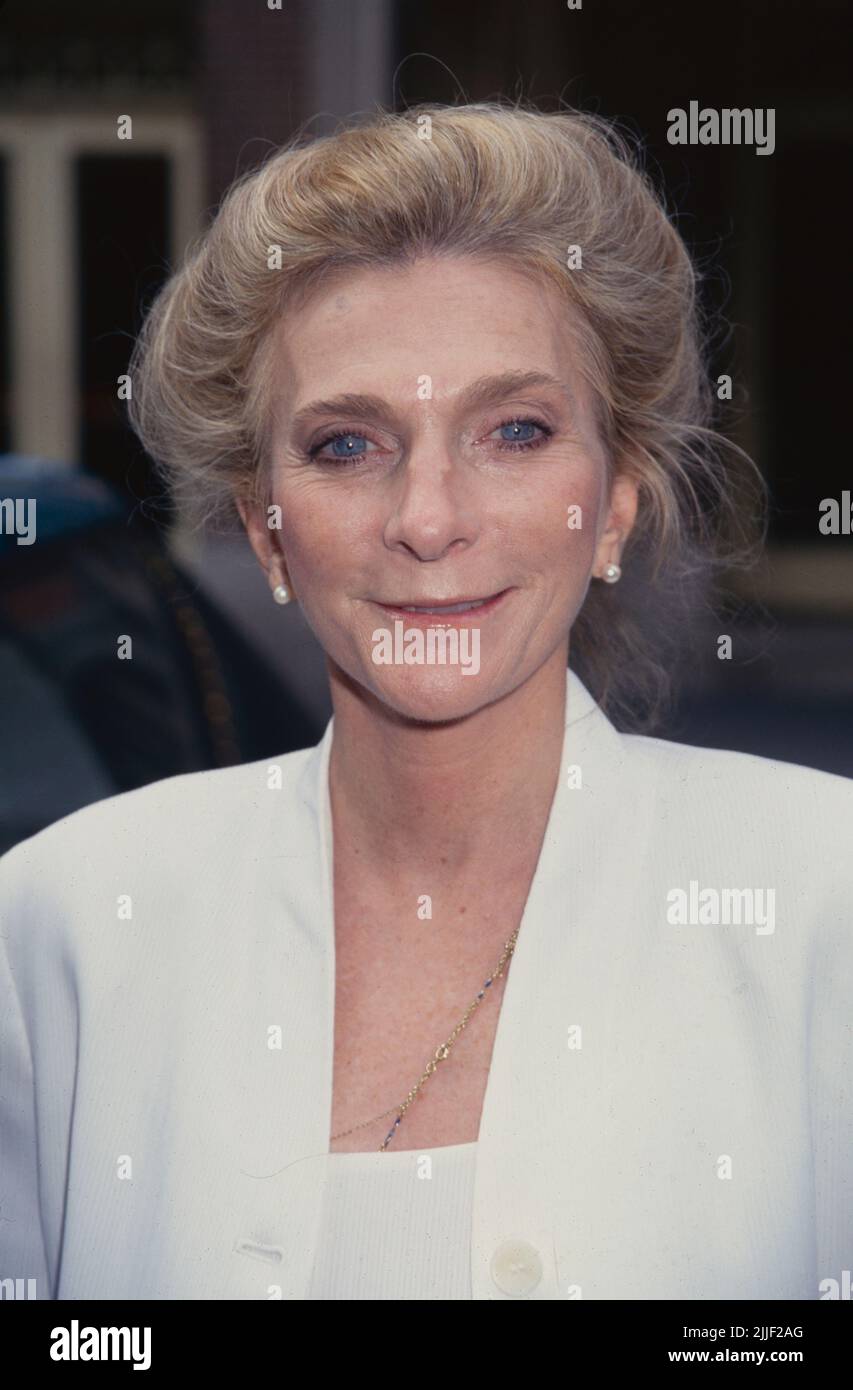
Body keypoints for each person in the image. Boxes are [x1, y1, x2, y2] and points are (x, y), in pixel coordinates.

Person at [0, 99, 850, 1302]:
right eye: (347, 444)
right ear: (265, 525)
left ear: (612, 502)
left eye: (514, 430)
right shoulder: (63, 920)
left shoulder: (824, 899)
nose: (429, 517)